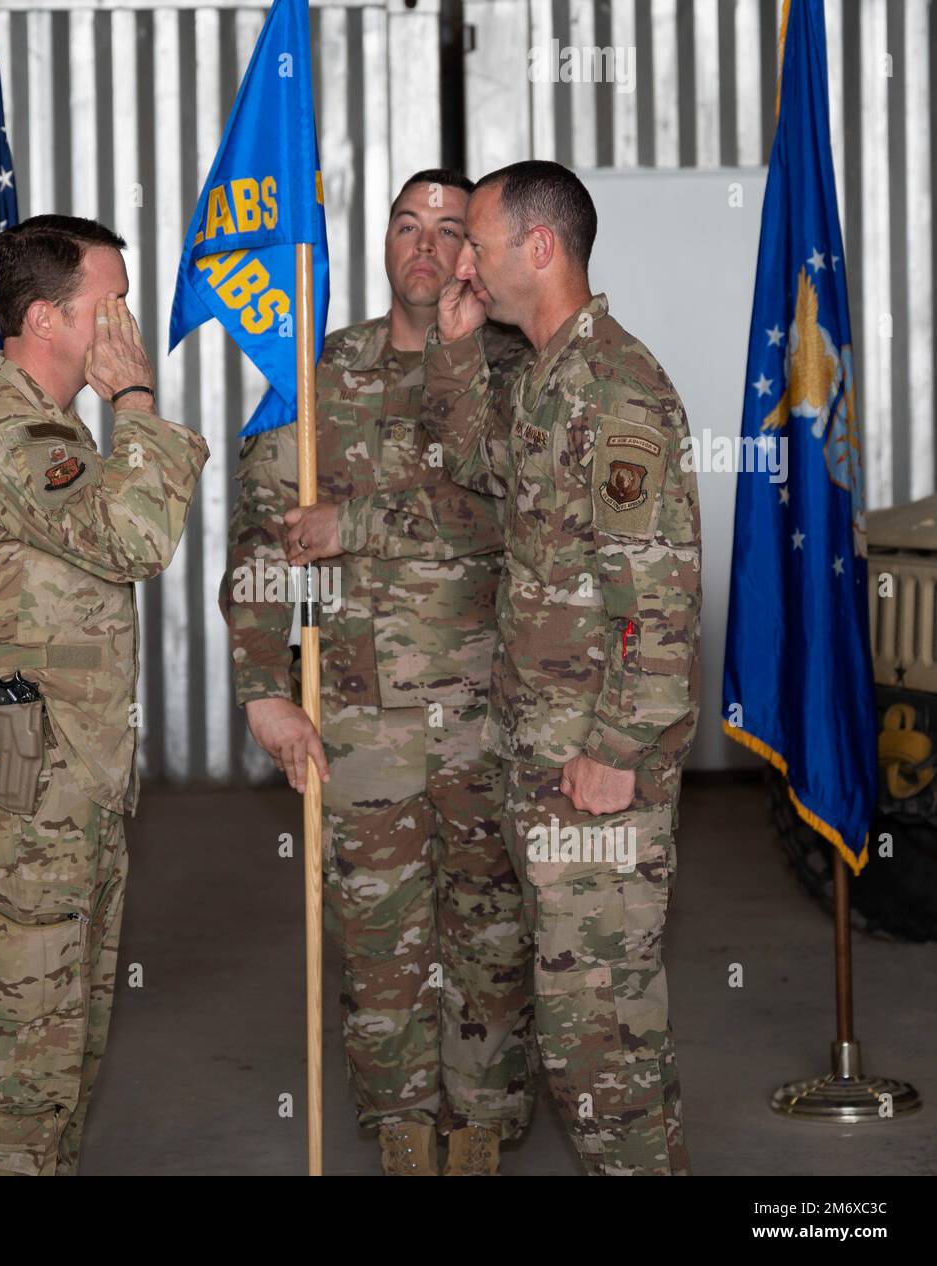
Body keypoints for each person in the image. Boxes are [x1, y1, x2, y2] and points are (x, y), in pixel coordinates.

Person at [223, 170, 536, 1175]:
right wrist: (263, 687)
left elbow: (517, 514)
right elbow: (263, 537)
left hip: (495, 717)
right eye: (408, 224)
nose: (426, 244)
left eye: (450, 230)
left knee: (492, 930)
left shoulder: (515, 372)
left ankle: (480, 1132)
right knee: (377, 940)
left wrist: (355, 525)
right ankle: (402, 1137)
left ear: (475, 256)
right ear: (385, 243)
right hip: (358, 720)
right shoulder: (320, 375)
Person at [423, 160, 700, 1176]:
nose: (463, 264)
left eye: (478, 245)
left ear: (539, 248)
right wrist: (455, 356)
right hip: (536, 754)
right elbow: (476, 467)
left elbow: (658, 596)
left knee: (599, 1043)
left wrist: (620, 750)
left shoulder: (615, 388)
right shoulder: (541, 375)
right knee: (579, 1022)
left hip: (593, 772)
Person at [0, 214, 209, 1175]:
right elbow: (135, 539)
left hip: (71, 780)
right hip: (25, 797)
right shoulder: (9, 440)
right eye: (111, 304)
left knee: (64, 1044)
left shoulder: (59, 437)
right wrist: (137, 398)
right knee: (19, 1051)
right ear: (47, 320)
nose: (125, 323)